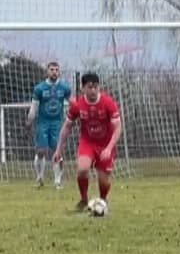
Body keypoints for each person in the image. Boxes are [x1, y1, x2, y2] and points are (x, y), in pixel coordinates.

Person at [55, 71, 122, 214]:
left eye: (96, 87)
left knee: (104, 181)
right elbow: (67, 127)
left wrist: (109, 148)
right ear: (83, 89)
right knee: (82, 169)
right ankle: (84, 199)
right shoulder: (78, 105)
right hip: (88, 142)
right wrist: (58, 149)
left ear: (99, 87)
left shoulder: (108, 103)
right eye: (89, 87)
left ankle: (103, 200)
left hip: (105, 144)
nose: (93, 90)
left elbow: (118, 128)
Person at [30, 61, 72, 189]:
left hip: (57, 123)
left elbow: (72, 103)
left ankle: (57, 180)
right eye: (52, 69)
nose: (54, 72)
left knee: (57, 151)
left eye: (56, 70)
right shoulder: (39, 89)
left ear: (59, 72)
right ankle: (40, 177)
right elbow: (34, 106)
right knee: (41, 151)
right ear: (47, 71)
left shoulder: (64, 88)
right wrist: (29, 119)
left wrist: (73, 117)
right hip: (43, 123)